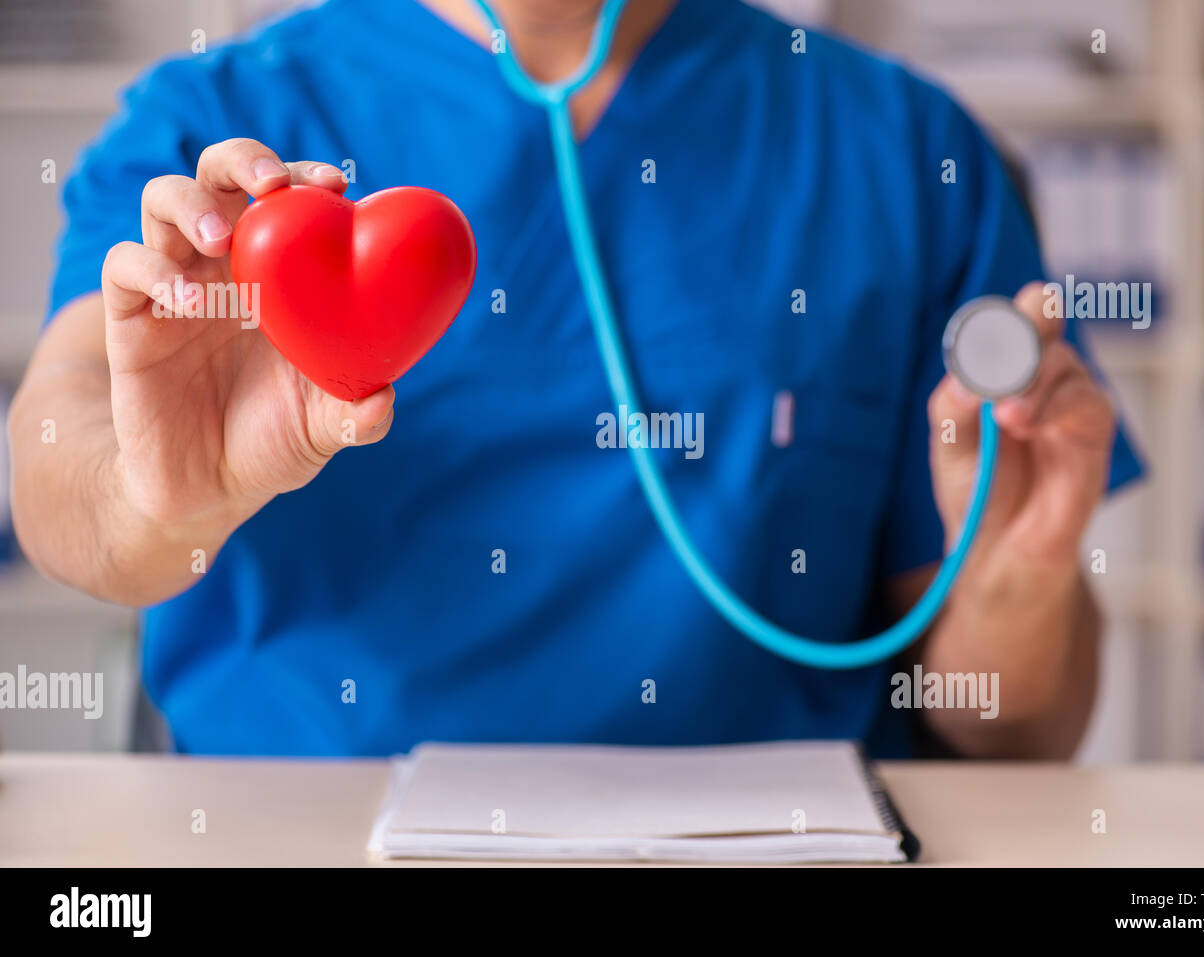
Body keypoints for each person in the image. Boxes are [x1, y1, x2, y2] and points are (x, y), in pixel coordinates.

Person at [8, 0, 1142, 757]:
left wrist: (1013, 589)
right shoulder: (218, 123)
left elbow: (1018, 733)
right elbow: (58, 476)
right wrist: (154, 497)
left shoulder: (902, 146)